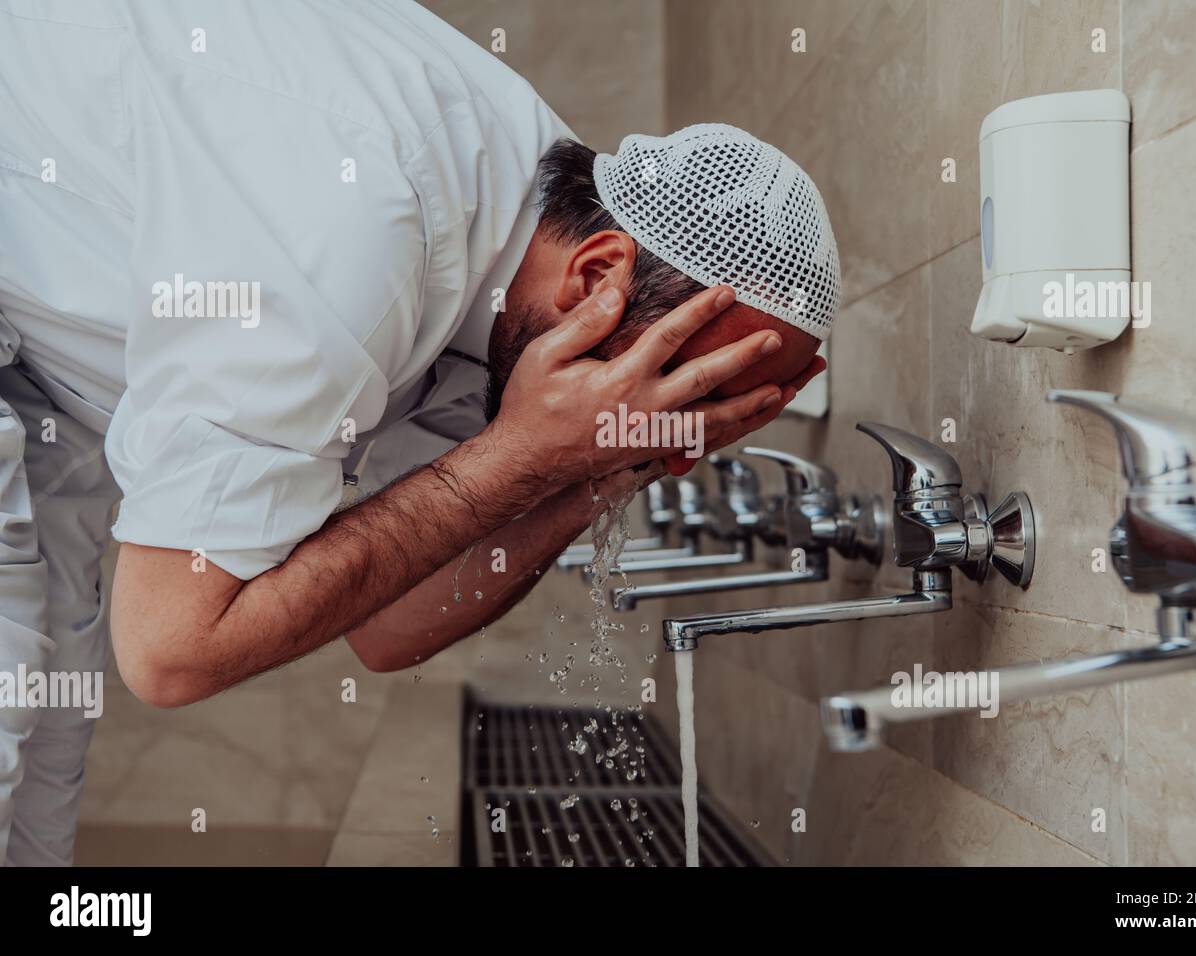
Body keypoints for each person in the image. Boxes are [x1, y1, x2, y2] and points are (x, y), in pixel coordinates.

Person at [0, 0, 839, 865]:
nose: (678, 442)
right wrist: (524, 455)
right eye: (682, 388)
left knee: (40, 752)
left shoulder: (526, 260)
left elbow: (387, 628)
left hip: (42, 360)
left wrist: (601, 465)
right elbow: (170, 649)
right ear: (600, 277)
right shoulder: (353, 237)